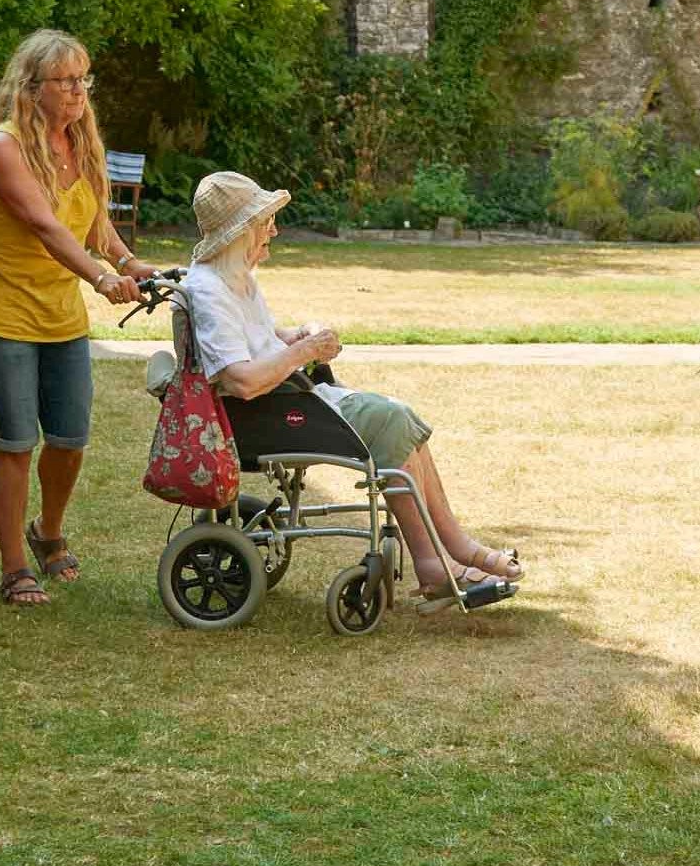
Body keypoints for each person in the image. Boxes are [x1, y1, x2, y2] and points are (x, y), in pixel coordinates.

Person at [176, 170, 525, 606]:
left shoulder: (234, 279)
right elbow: (241, 380)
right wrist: (305, 352)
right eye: (266, 221)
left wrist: (303, 334)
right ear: (241, 231)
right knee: (392, 419)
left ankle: (453, 548)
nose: (274, 230)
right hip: (268, 415)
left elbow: (261, 340)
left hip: (289, 400)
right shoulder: (211, 291)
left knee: (402, 422)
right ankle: (436, 559)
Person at [0, 31, 154, 607]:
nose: (80, 90)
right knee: (15, 442)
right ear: (33, 88)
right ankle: (13, 567)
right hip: (6, 313)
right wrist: (101, 278)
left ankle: (48, 531)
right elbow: (46, 226)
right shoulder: (4, 146)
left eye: (84, 78)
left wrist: (127, 261)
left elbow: (90, 221)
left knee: (71, 440)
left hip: (62, 318)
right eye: (66, 80)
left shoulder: (80, 141)